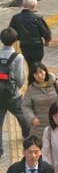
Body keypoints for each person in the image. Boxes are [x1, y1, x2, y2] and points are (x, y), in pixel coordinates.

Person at [0, 26, 31, 158]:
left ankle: (0, 149)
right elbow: (21, 78)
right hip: (13, 95)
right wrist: (15, 88)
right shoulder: (18, 57)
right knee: (23, 116)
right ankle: (27, 137)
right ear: (15, 40)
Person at [9, 0, 52, 80]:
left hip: (24, 47)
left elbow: (11, 32)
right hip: (37, 48)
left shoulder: (16, 18)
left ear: (23, 4)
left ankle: (29, 82)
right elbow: (47, 34)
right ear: (34, 5)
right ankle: (35, 82)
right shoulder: (37, 18)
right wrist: (47, 42)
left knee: (27, 66)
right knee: (37, 66)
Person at [21, 63, 58, 132]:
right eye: (36, 74)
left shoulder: (55, 82)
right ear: (32, 75)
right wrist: (32, 118)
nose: (39, 76)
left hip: (57, 121)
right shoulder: (31, 88)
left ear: (45, 71)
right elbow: (25, 106)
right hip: (40, 125)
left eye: (41, 72)